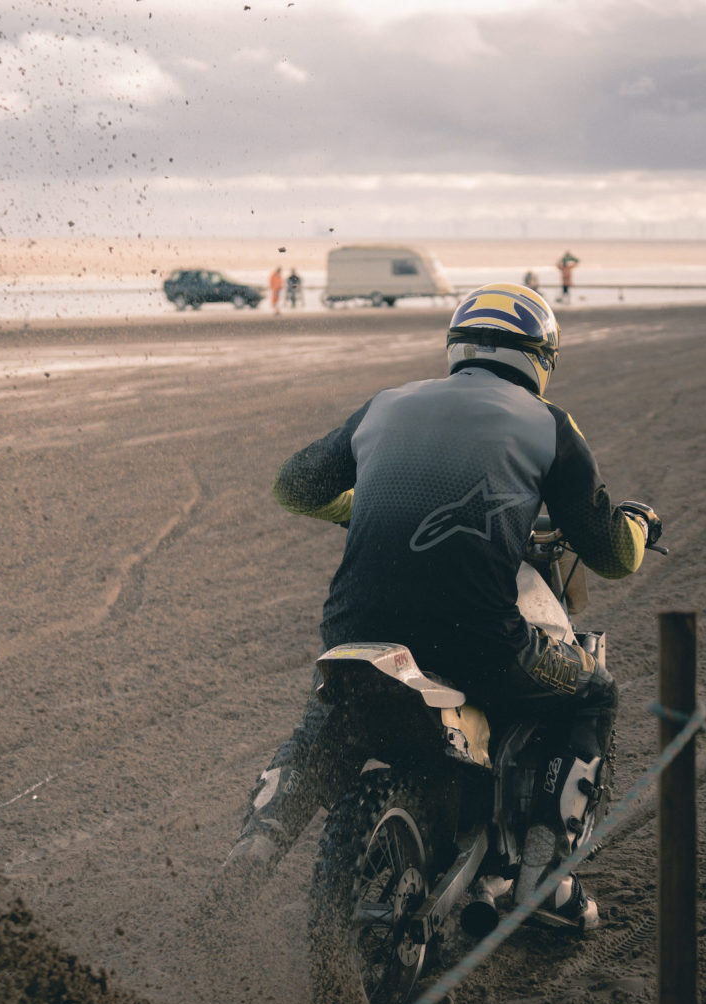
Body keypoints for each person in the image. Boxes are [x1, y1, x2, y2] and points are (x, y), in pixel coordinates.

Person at [217, 282, 660, 929]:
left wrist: (365, 509)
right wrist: (643, 521)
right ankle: (543, 880)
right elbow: (615, 554)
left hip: (353, 629)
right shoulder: (547, 423)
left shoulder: (386, 404)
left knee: (332, 721)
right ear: (541, 356)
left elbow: (294, 486)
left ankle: (252, 847)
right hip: (479, 642)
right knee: (594, 691)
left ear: (457, 346)